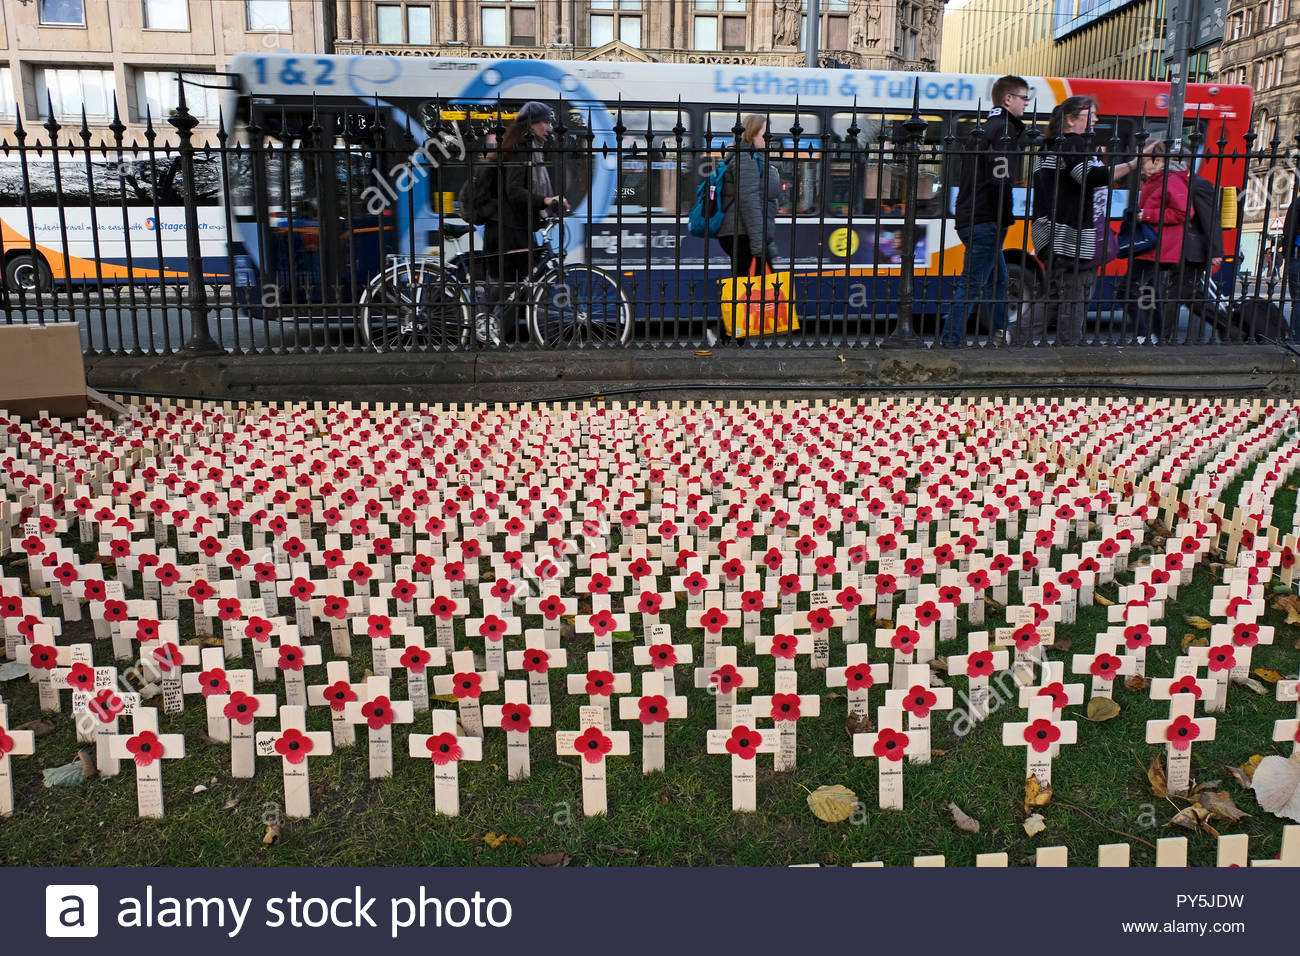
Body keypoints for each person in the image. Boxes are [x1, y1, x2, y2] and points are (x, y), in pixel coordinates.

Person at [1013, 95, 1139, 346]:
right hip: (1072, 239)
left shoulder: (1050, 146)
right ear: (1071, 119)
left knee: (1054, 297)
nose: (1096, 119)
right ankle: (1068, 352)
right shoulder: (1072, 143)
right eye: (1090, 114)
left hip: (1052, 236)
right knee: (1074, 298)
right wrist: (1134, 164)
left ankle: (1015, 337)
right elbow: (1090, 177)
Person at [938, 75, 1030, 347]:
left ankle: (1000, 335)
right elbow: (1000, 179)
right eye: (1023, 97)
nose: (1026, 103)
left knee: (998, 282)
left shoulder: (983, 130)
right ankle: (950, 342)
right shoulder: (1004, 131)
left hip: (971, 217)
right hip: (986, 219)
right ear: (1008, 99)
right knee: (972, 284)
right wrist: (1004, 218)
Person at [484, 101, 568, 339]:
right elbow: (514, 192)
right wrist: (545, 201)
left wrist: (547, 205)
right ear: (532, 124)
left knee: (513, 290)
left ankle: (492, 338)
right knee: (510, 291)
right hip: (507, 230)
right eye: (546, 122)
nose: (550, 128)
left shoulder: (527, 148)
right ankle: (546, 338)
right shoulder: (521, 149)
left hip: (514, 228)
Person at [1127, 141, 1190, 341]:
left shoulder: (1170, 180)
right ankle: (1156, 336)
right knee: (1150, 292)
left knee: (1127, 291)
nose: (1141, 165)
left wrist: (1145, 215)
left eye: (1144, 160)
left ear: (1159, 160)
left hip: (1156, 247)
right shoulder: (1155, 180)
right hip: (1150, 245)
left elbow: (1183, 213)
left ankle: (1143, 335)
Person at [716, 113, 783, 277]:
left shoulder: (754, 157)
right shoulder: (746, 158)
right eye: (765, 133)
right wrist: (759, 245)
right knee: (758, 289)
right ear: (752, 134)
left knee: (751, 288)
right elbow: (748, 200)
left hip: (747, 234)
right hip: (743, 235)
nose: (769, 137)